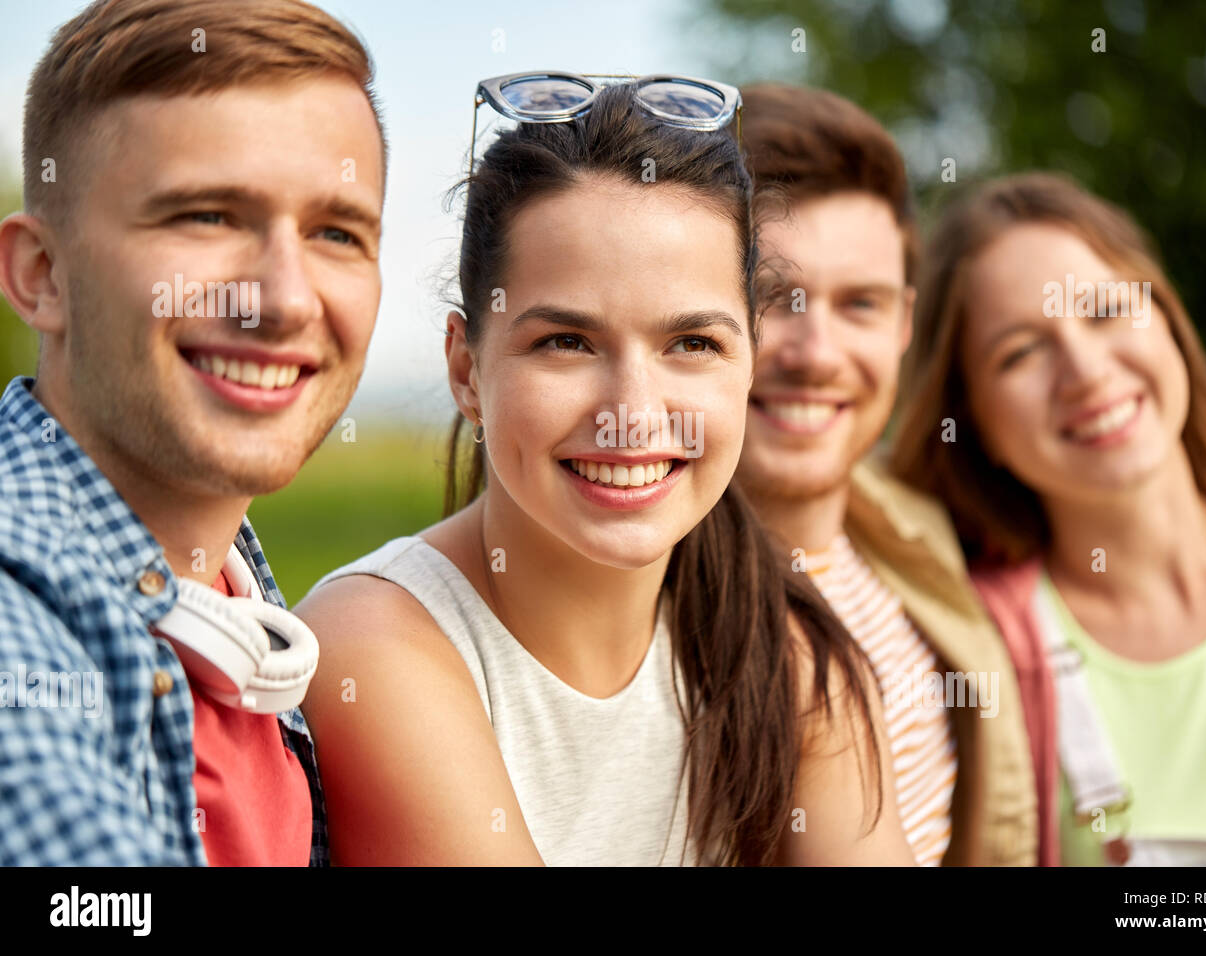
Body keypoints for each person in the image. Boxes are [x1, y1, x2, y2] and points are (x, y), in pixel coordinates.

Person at [296, 75, 913, 866]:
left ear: (750, 362)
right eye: (567, 342)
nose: (633, 411)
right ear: (466, 369)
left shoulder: (788, 652)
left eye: (692, 344)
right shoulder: (374, 645)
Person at [0, 0, 386, 865]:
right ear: (42, 276)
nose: (284, 299)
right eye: (206, 216)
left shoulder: (226, 587)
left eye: (336, 232)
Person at [892, 171, 1206, 866]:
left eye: (1107, 311)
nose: (1083, 371)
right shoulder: (964, 652)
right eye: (1020, 352)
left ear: (1168, 319)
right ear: (973, 421)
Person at [734, 84, 1038, 866]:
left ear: (904, 322)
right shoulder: (628, 603)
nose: (817, 354)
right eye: (772, 299)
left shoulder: (917, 534)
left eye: (859, 305)